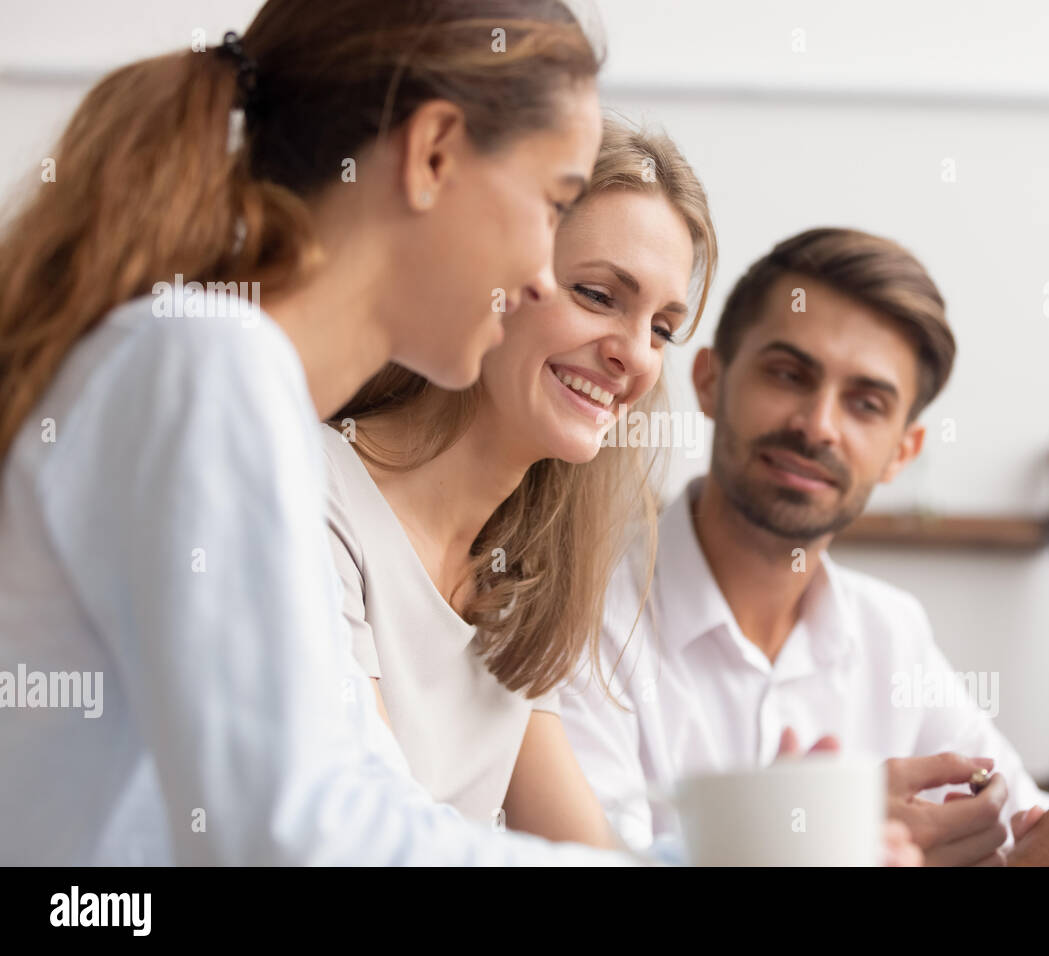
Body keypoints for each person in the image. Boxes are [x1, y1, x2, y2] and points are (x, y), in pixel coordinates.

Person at [0, 0, 630, 865]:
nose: (541, 277)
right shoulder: (206, 361)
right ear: (434, 153)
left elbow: (366, 808)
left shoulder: (234, 385)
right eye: (553, 203)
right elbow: (299, 837)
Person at [553, 227, 1049, 864]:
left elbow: (1039, 829)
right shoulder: (572, 615)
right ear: (709, 381)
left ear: (902, 452)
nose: (817, 426)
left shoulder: (891, 633)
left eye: (865, 404)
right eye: (789, 374)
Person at [319, 117, 714, 841]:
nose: (635, 356)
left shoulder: (520, 578)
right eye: (598, 295)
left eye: (661, 327)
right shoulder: (316, 490)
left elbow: (591, 854)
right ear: (496, 273)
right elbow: (371, 837)